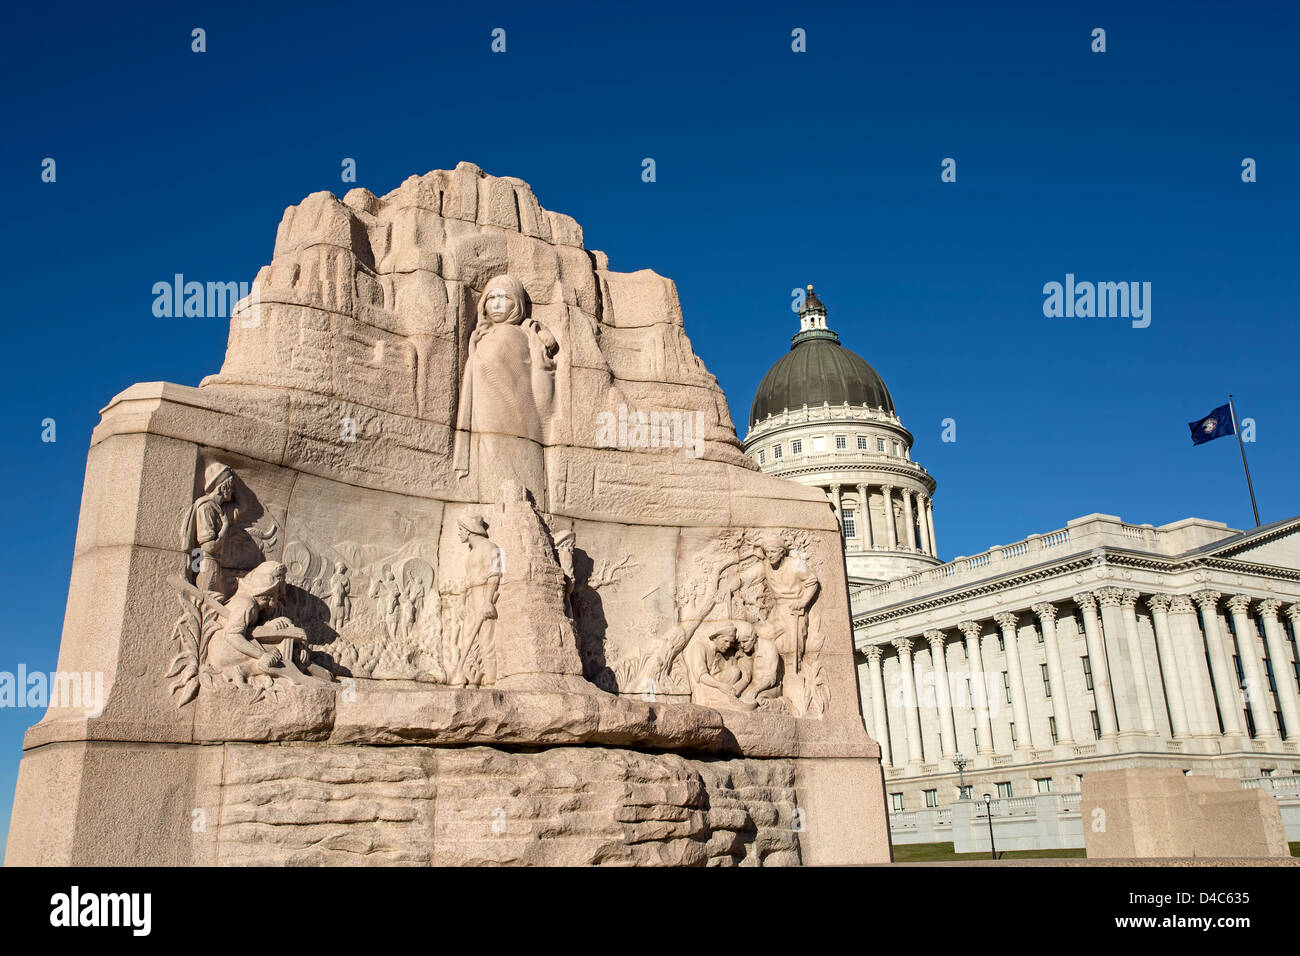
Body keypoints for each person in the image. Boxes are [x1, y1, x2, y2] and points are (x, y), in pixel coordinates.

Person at [452, 275, 558, 484]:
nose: (497, 304)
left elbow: (487, 366)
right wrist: (474, 346)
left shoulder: (511, 335)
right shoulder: (487, 335)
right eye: (491, 298)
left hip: (508, 417)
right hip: (488, 416)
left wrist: (474, 350)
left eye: (504, 297)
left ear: (516, 302)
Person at [180, 463, 235, 598]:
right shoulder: (206, 507)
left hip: (212, 564)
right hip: (205, 563)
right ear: (223, 486)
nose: (233, 491)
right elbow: (208, 546)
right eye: (231, 486)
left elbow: (243, 506)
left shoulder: (217, 508)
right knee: (206, 601)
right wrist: (225, 526)